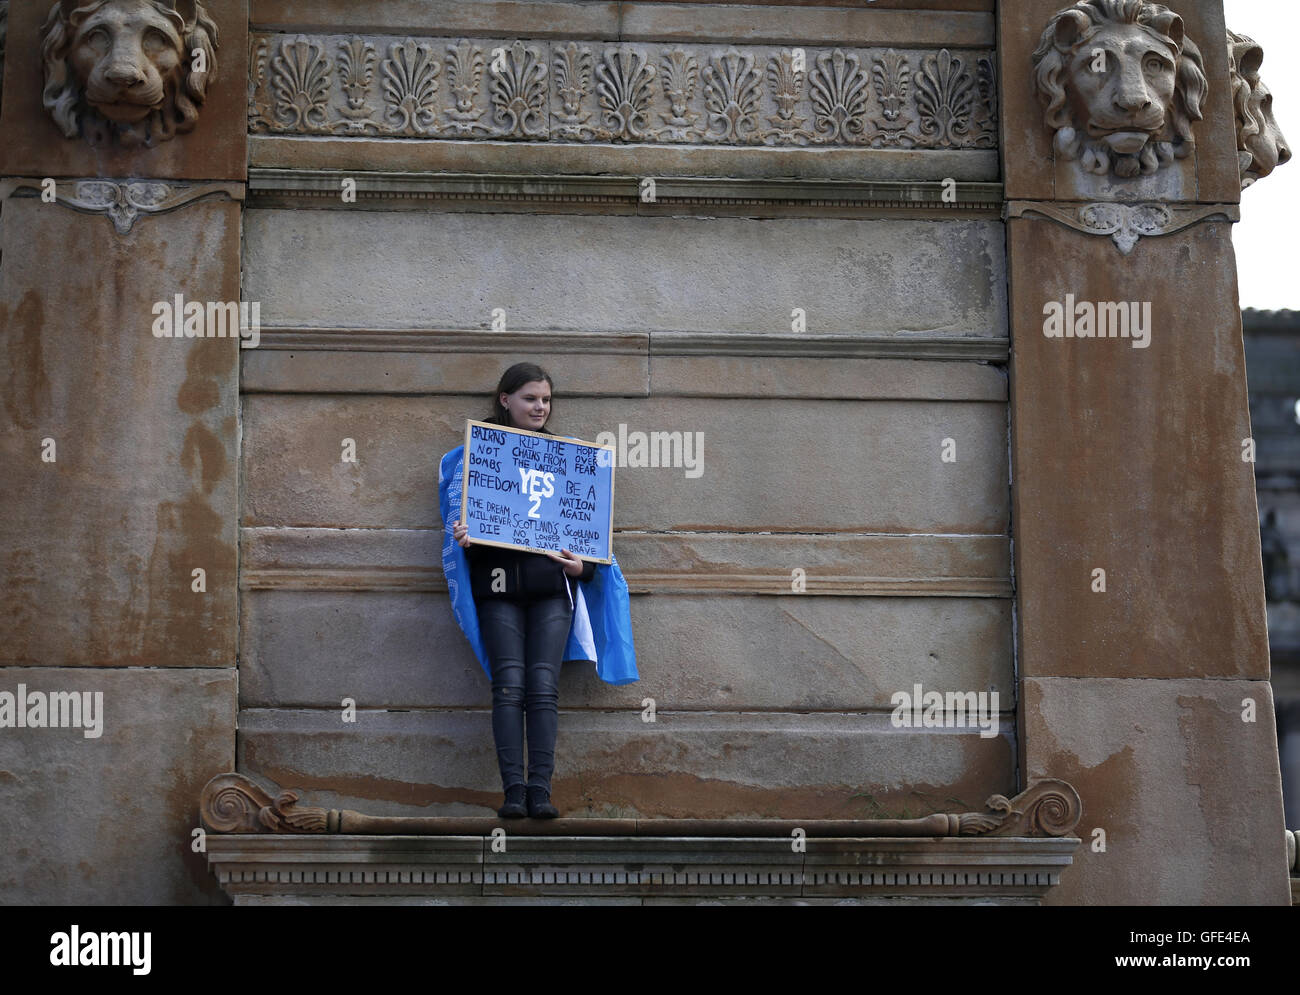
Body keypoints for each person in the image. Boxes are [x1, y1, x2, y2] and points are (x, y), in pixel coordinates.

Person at [437, 362, 638, 820]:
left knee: (543, 688)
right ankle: (513, 791)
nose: (540, 407)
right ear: (504, 400)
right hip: (498, 587)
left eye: (546, 400)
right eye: (530, 398)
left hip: (552, 588)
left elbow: (592, 537)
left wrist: (585, 568)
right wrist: (463, 539)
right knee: (509, 687)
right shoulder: (476, 454)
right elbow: (459, 534)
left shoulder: (568, 459)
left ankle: (540, 791)